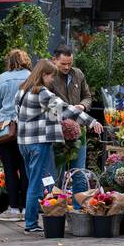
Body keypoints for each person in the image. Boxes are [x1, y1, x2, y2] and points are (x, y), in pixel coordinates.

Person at [15, 58, 102, 234]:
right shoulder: (42, 93)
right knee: (35, 184)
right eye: (51, 76)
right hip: (39, 144)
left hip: (23, 143)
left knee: (33, 180)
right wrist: (91, 122)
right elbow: (66, 109)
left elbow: (21, 115)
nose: (52, 80)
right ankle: (31, 224)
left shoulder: (22, 91)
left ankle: (38, 218)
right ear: (44, 74)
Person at [0, 48, 31, 222]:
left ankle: (13, 208)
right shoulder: (32, 77)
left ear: (9, 62)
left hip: (5, 130)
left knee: (10, 169)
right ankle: (27, 207)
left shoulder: (1, 79)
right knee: (26, 168)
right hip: (27, 128)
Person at [49, 44, 93, 190]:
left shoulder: (78, 74)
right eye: (63, 64)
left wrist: (82, 106)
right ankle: (55, 208)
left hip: (79, 129)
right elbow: (48, 106)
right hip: (57, 131)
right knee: (57, 173)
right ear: (54, 60)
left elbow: (87, 96)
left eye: (70, 63)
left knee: (79, 172)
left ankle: (78, 208)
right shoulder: (49, 77)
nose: (67, 67)